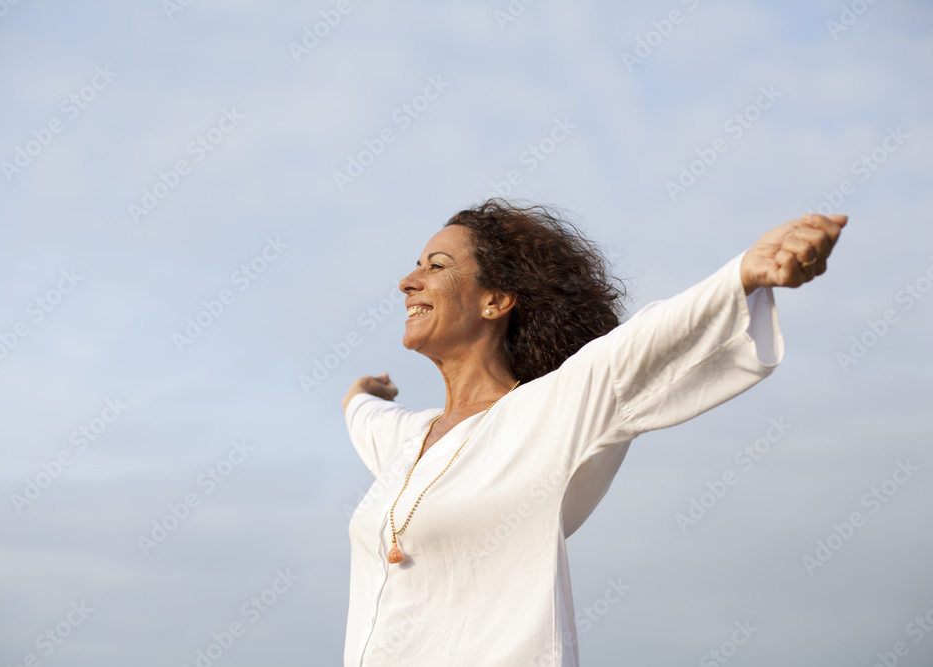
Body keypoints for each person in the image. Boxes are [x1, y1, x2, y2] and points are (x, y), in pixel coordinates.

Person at [340, 199, 846, 667]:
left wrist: (743, 274)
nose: (408, 281)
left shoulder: (550, 411)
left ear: (495, 300)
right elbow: (360, 412)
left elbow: (641, 345)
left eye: (436, 266)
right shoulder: (408, 438)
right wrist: (362, 390)